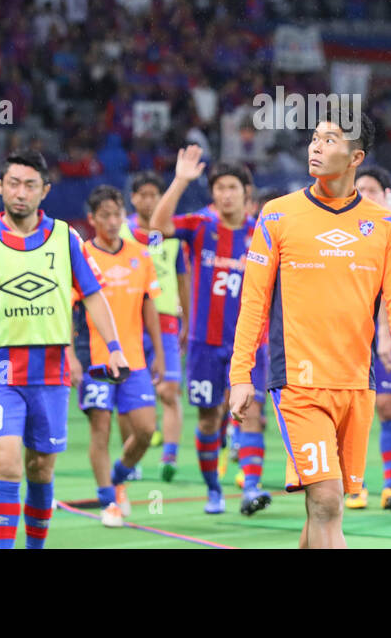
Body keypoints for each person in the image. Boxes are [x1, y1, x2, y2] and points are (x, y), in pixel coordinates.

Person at [230, 113, 391, 549]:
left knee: (321, 505)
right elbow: (254, 302)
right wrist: (241, 376)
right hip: (298, 382)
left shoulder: (386, 225)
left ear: (356, 156)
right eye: (314, 138)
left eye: (329, 139)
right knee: (328, 500)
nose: (315, 147)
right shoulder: (277, 215)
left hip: (357, 382)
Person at [0, 150, 125, 549]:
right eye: (14, 184)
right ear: (0, 186)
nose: (21, 193)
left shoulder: (66, 238)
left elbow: (92, 296)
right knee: (7, 466)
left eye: (31, 185)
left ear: (45, 191)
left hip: (51, 369)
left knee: (40, 468)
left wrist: (114, 348)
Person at [151, 148, 271, 516]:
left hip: (251, 345)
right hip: (205, 344)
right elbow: (158, 225)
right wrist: (181, 179)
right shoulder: (201, 225)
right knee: (208, 419)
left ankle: (251, 487)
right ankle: (214, 489)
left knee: (251, 413)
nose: (226, 194)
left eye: (233, 187)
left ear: (246, 192)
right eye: (219, 187)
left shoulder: (264, 234)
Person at [76, 185, 165, 527]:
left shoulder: (140, 254)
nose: (113, 222)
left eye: (117, 214)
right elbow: (70, 311)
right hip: (94, 360)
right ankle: (107, 502)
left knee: (144, 431)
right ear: (92, 219)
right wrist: (70, 357)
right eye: (105, 215)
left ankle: (119, 475)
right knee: (100, 430)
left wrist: (159, 353)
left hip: (134, 361)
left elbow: (149, 305)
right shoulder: (81, 255)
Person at [122, 171, 190, 482]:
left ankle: (170, 456)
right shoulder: (121, 235)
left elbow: (182, 280)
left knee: (169, 390)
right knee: (129, 393)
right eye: (143, 194)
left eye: (155, 195)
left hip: (164, 320)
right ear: (133, 198)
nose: (149, 200)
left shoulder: (171, 235)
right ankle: (131, 458)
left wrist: (187, 318)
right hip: (131, 322)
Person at [346, 165, 391, 510]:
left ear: (387, 196)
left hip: (381, 331)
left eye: (371, 190)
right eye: (359, 190)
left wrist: (385, 333)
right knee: (352, 408)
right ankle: (356, 484)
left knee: (386, 406)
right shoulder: (342, 229)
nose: (364, 196)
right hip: (348, 334)